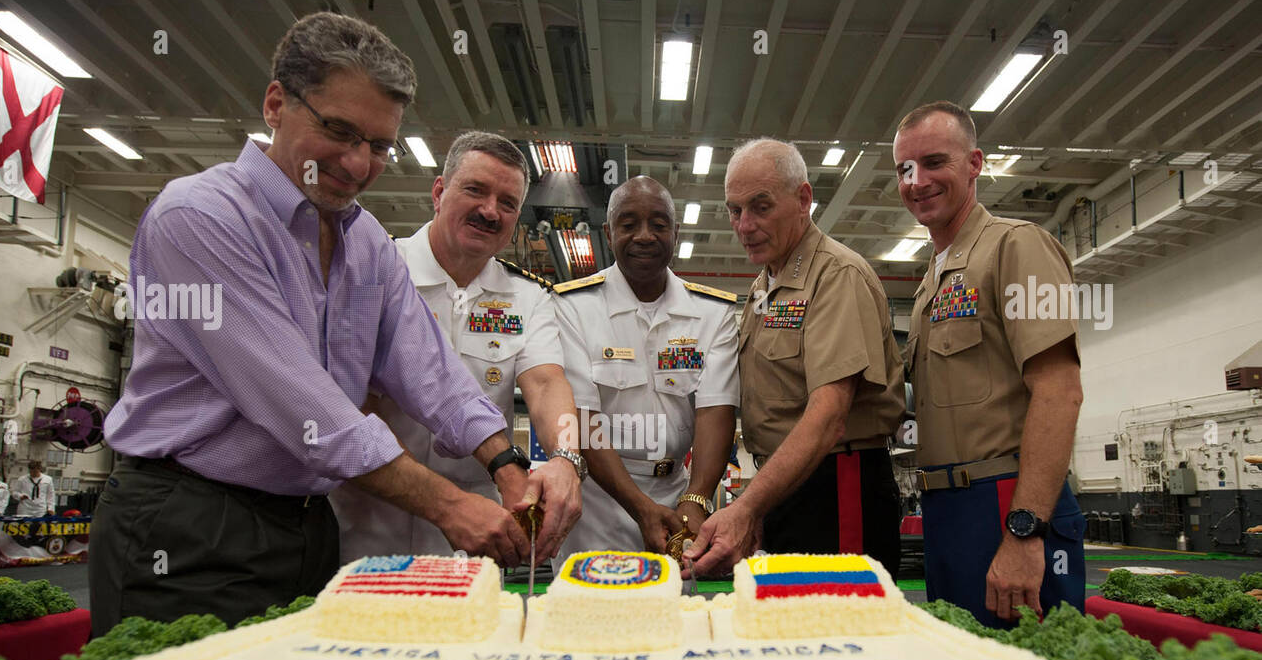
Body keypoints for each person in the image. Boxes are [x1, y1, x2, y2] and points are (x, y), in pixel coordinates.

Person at [90, 13, 537, 636]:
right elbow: (312, 413)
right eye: (339, 131)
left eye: (380, 146)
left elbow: (430, 371)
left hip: (308, 525)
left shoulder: (367, 246)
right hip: (190, 526)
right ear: (276, 103)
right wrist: (450, 504)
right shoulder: (199, 219)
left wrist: (505, 462)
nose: (358, 164)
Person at [330, 131, 583, 561]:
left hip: (477, 527)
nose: (490, 211)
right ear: (439, 192)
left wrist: (565, 457)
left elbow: (544, 383)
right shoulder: (377, 271)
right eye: (476, 191)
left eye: (507, 203)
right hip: (368, 517)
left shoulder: (528, 296)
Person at [893, 100, 1086, 627]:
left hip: (1005, 504)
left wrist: (1025, 531)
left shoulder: (1017, 247)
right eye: (905, 169)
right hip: (945, 513)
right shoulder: (933, 280)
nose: (918, 181)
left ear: (975, 163)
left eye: (935, 162)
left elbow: (1059, 392)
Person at [686, 138, 905, 578]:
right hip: (785, 488)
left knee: (842, 630)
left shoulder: (836, 275)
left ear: (803, 199)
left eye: (760, 207)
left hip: (838, 487)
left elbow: (829, 417)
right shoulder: (763, 286)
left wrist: (746, 506)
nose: (744, 225)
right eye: (734, 210)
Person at [552, 176, 739, 559]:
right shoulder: (573, 307)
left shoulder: (712, 313)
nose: (644, 236)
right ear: (608, 233)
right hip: (597, 506)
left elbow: (716, 412)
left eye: (659, 224)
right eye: (628, 224)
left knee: (674, 613)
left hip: (679, 497)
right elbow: (582, 419)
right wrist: (639, 507)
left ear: (675, 231)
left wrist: (696, 501)